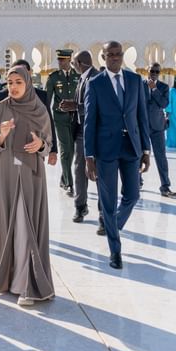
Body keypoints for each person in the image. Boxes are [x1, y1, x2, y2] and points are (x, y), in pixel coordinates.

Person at [0, 64, 54, 306]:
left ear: (28, 83)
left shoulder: (39, 109)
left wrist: (40, 145)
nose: (14, 87)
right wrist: (2, 137)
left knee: (25, 227)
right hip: (4, 176)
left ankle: (25, 285)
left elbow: (47, 143)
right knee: (5, 225)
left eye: (19, 82)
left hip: (30, 177)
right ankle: (6, 278)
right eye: (10, 83)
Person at [84, 41, 151, 269]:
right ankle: (115, 251)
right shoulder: (95, 84)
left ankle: (113, 225)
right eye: (109, 54)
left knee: (132, 195)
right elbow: (89, 122)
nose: (114, 57)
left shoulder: (135, 81)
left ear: (123, 56)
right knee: (109, 202)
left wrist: (146, 150)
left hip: (131, 147)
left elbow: (142, 117)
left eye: (117, 54)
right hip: (106, 150)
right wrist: (89, 156)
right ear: (103, 58)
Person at [69, 51, 102, 232]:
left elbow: (98, 107)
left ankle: (103, 214)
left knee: (98, 173)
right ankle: (80, 207)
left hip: (97, 134)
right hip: (81, 132)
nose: (72, 66)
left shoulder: (98, 78)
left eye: (74, 63)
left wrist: (75, 106)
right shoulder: (82, 79)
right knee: (79, 170)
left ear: (80, 63)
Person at [45, 49, 79, 197]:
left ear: (69, 60)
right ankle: (69, 183)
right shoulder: (53, 77)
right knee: (65, 149)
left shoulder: (78, 76)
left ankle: (64, 177)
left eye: (63, 60)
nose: (60, 62)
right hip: (60, 118)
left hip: (76, 118)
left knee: (72, 150)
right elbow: (47, 101)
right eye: (59, 60)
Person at [146, 64, 176, 197]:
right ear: (147, 71)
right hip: (142, 126)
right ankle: (137, 182)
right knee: (138, 156)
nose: (154, 73)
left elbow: (164, 104)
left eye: (156, 71)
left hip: (158, 127)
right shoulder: (139, 85)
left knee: (161, 157)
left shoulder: (163, 87)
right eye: (152, 71)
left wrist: (154, 90)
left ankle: (165, 186)